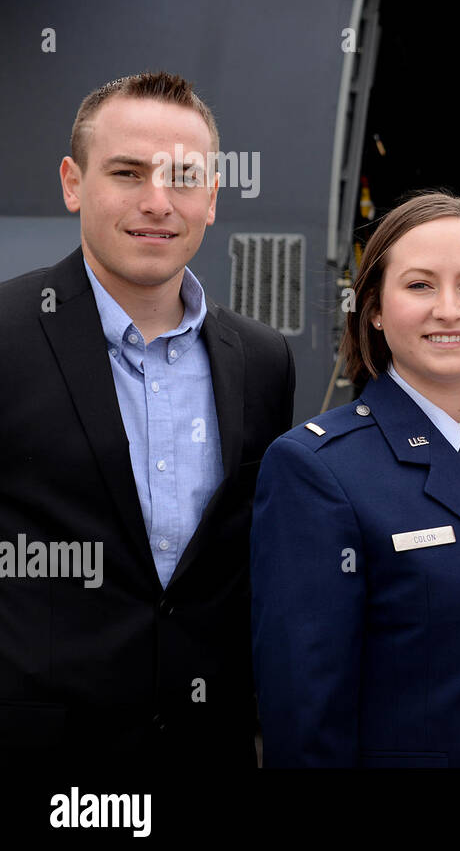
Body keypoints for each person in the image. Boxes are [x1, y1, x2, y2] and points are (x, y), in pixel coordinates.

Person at [0, 71, 295, 764]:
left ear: (213, 198)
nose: (157, 202)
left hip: (207, 747)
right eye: (128, 173)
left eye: (184, 177)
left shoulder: (262, 362)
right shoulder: (7, 336)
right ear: (74, 184)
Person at [251, 192, 460, 767]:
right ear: (373, 307)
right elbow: (306, 710)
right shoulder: (317, 469)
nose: (449, 309)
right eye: (420, 285)